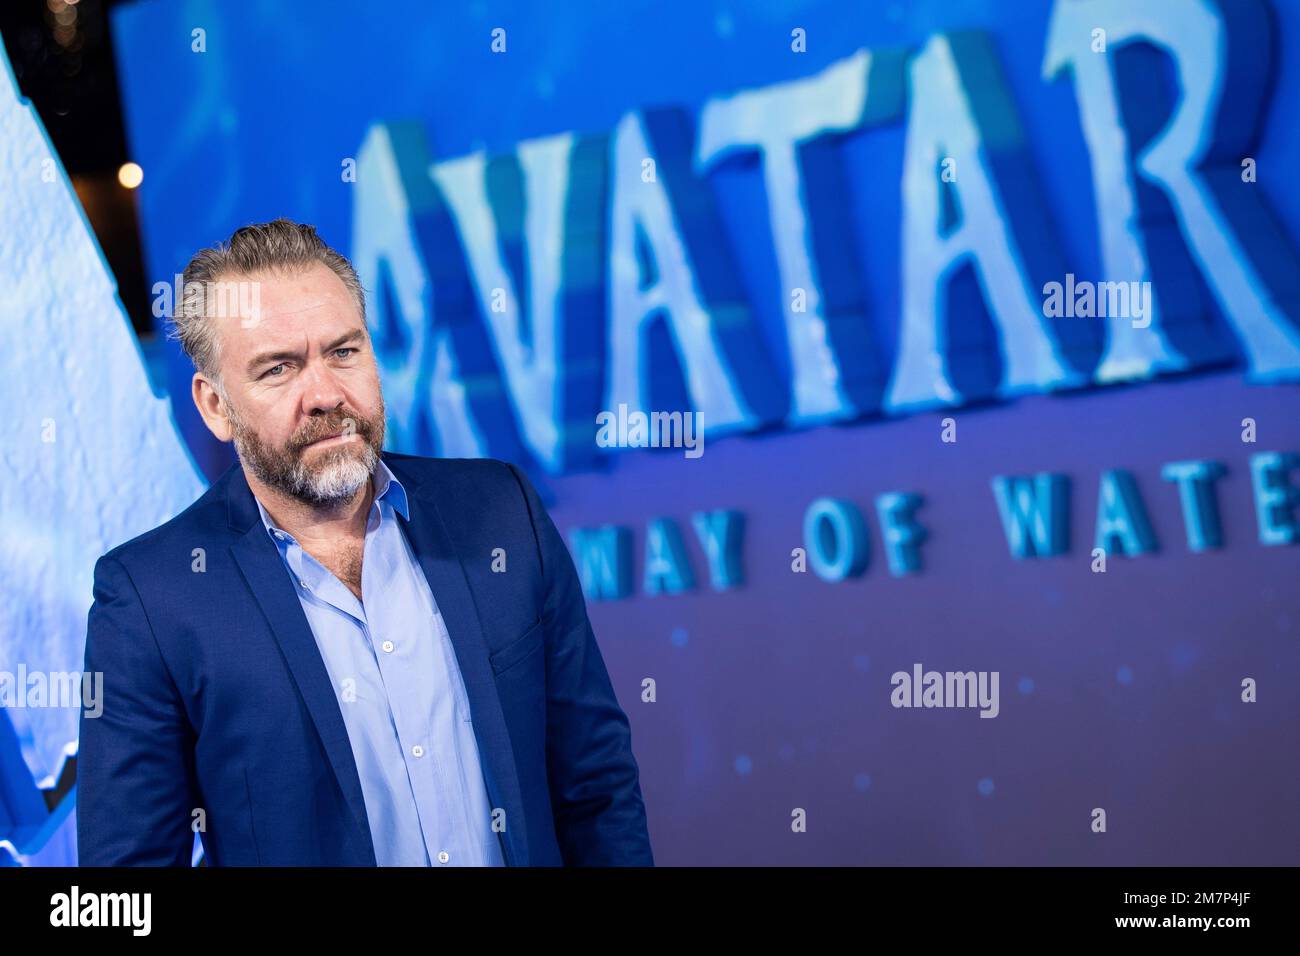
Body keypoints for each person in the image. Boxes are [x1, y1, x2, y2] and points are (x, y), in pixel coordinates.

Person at [76, 219, 653, 866]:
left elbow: (596, 786)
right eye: (278, 368)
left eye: (343, 352)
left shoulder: (500, 511)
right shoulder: (152, 598)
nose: (325, 394)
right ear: (216, 407)